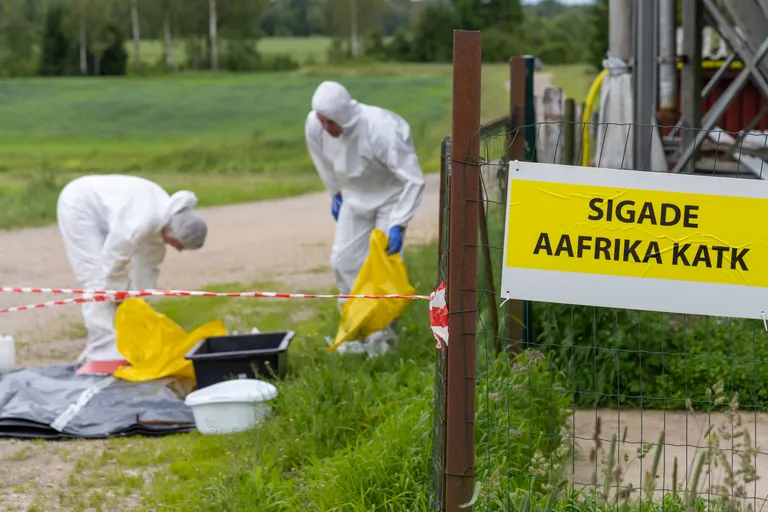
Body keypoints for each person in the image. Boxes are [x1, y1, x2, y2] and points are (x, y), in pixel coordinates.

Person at [305, 81, 425, 356]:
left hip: (390, 198)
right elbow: (321, 158)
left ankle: (383, 339)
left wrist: (399, 222)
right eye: (322, 121)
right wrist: (334, 192)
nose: (325, 128)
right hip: (353, 198)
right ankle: (354, 330)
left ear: (344, 117)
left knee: (380, 269)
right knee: (343, 262)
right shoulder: (315, 124)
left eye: (330, 122)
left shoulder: (380, 130)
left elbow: (414, 179)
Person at [57, 175, 208, 372]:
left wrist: (140, 303)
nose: (176, 249)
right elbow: (113, 262)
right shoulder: (139, 222)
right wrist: (121, 294)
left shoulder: (162, 219)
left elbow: (148, 265)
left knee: (110, 288)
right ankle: (103, 358)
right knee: (97, 282)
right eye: (178, 246)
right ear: (173, 235)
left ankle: (119, 349)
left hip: (106, 212)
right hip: (79, 206)